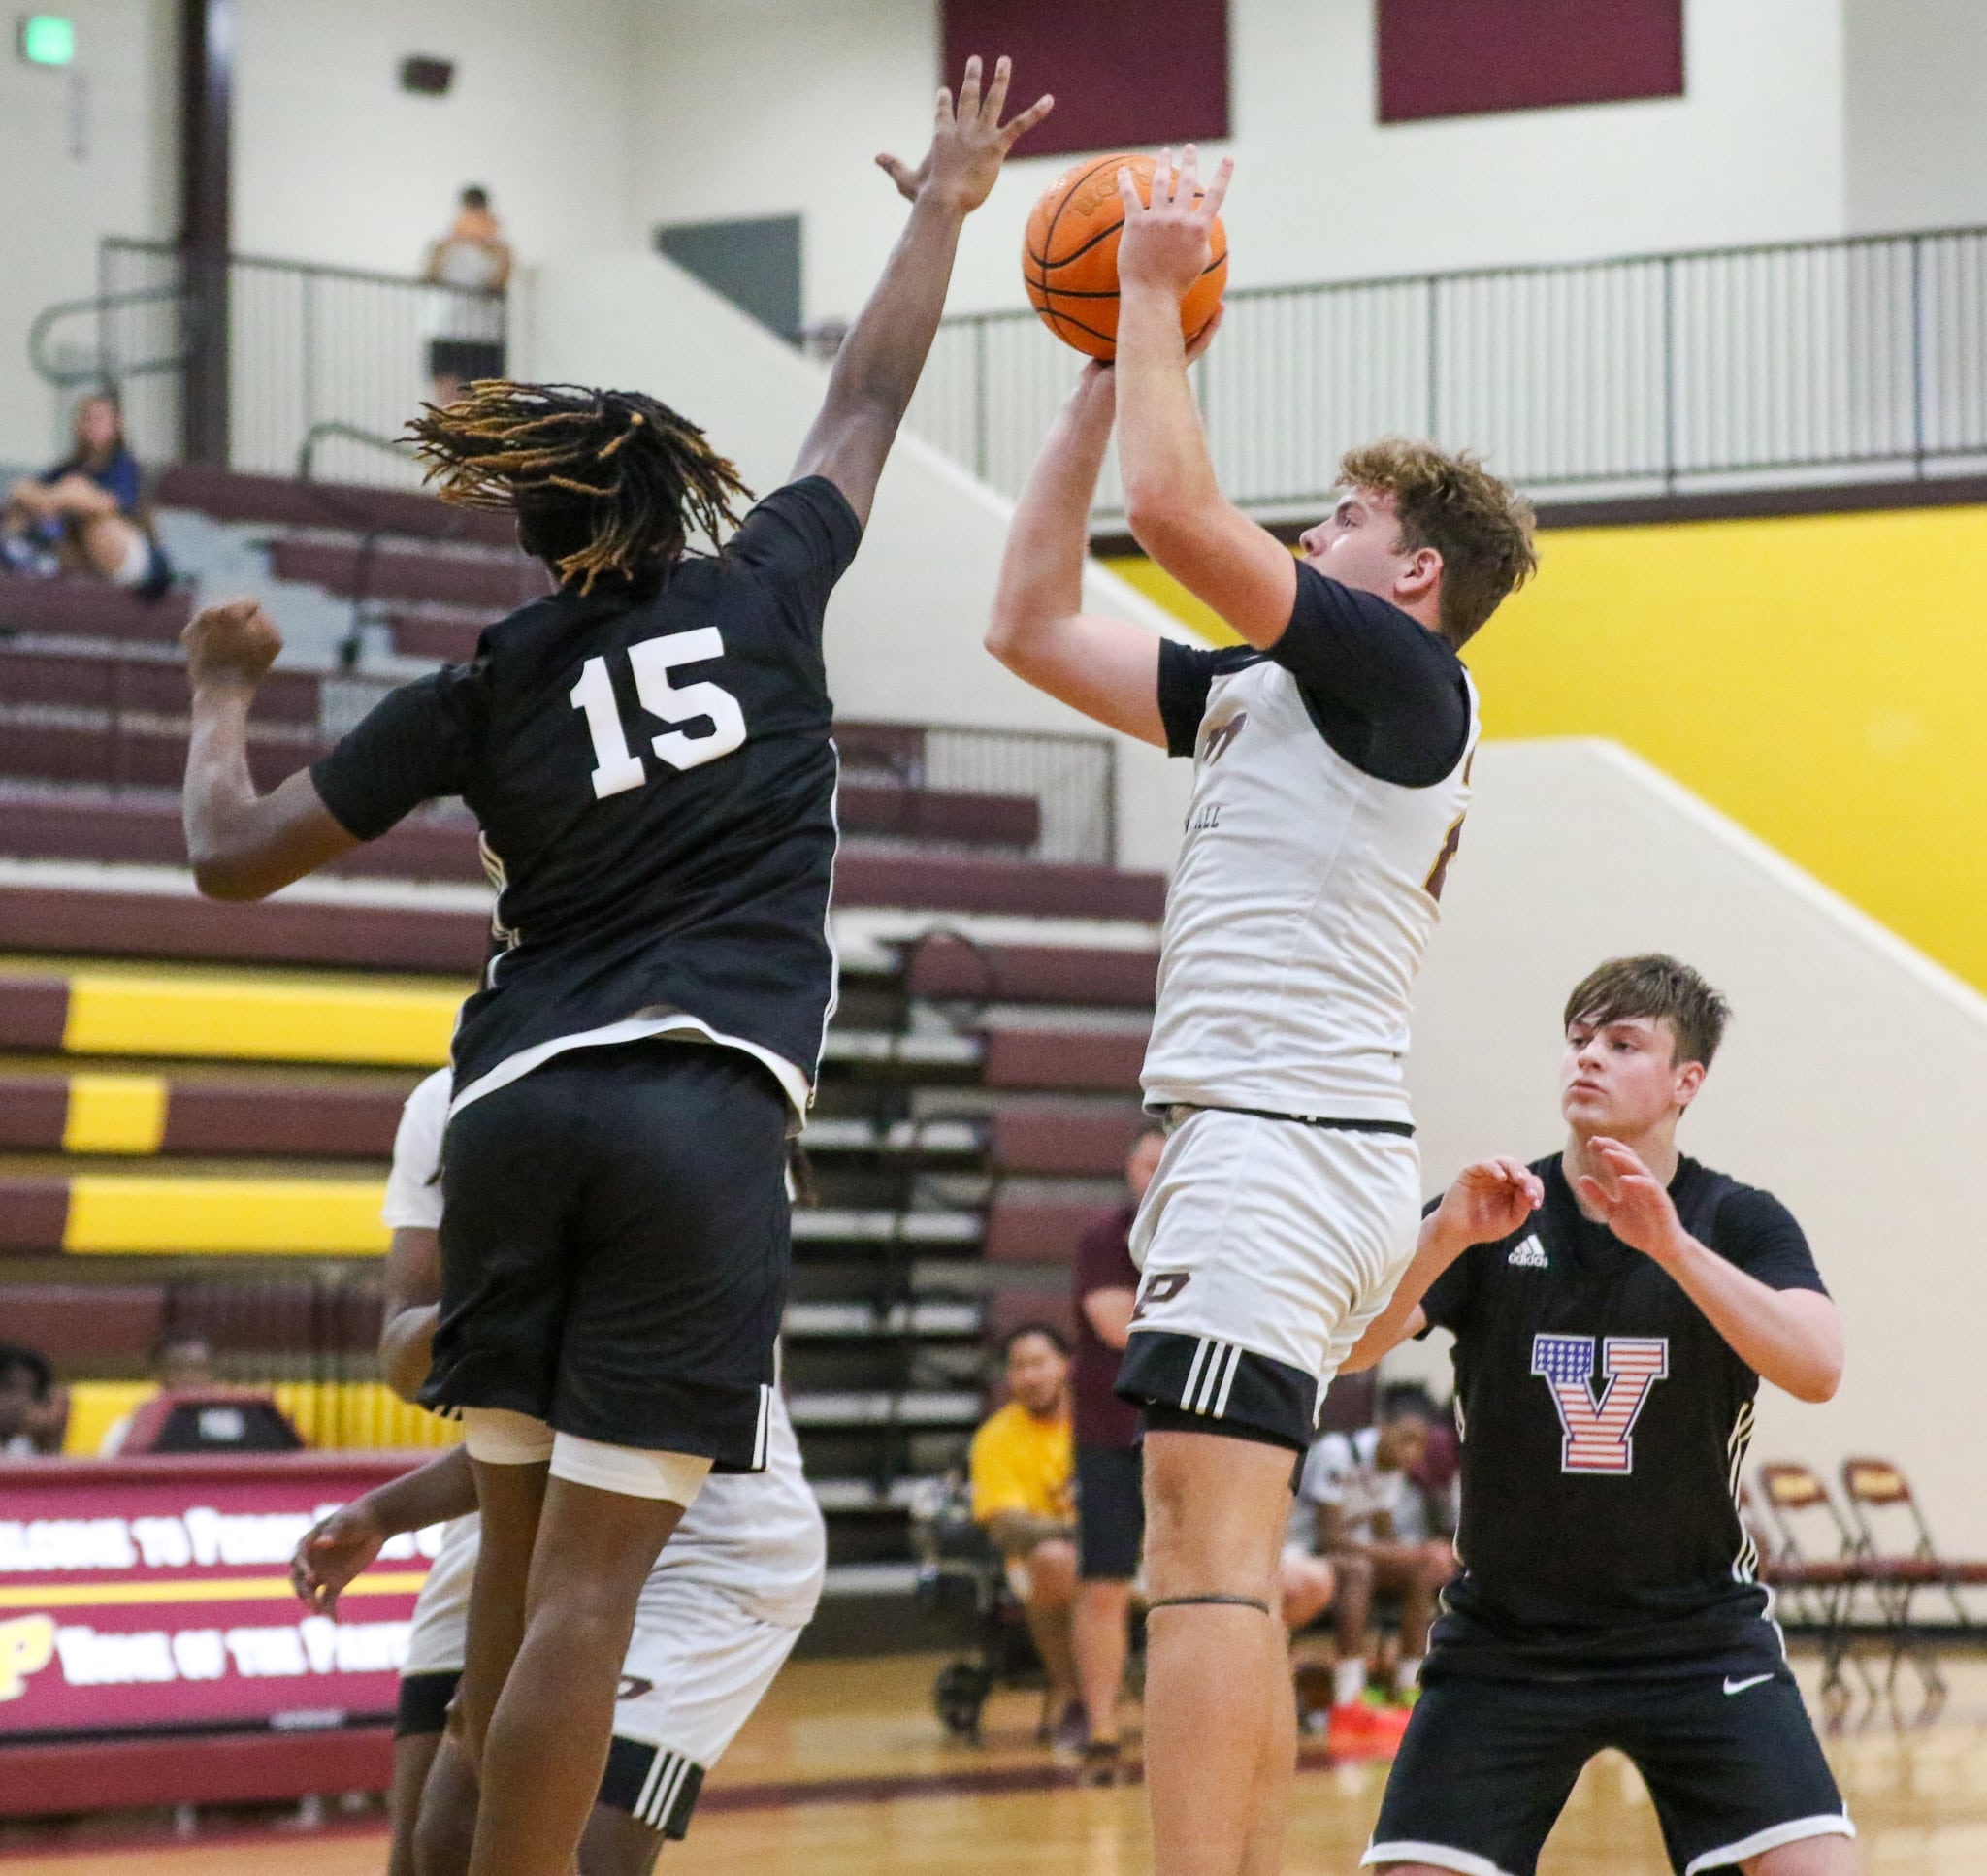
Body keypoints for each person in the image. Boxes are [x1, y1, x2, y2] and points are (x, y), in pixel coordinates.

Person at [177, 55, 1051, 1876]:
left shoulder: (482, 681)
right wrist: (939, 205)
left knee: (507, 1570)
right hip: (693, 1108)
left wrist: (221, 694)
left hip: (505, 1108)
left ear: (529, 529)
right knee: (591, 1588)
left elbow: (233, 855)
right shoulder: (764, 582)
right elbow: (864, 397)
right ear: (674, 503)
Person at [985, 144, 1535, 1876]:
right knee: (1211, 1559)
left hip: (1278, 1151)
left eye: (1347, 519)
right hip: (1300, 1149)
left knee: (1206, 1565)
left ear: (1414, 572)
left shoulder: (1400, 676)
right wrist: (1099, 371)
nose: (1312, 532)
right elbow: (1028, 622)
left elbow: (1174, 515)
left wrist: (1152, 290)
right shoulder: (1273, 687)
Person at [1344, 954, 1857, 1876]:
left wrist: (1671, 1247)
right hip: (1506, 1641)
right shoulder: (1493, 1212)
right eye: (1579, 1039)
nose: (1587, 1058)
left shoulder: (1736, 1220)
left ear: (1685, 1082)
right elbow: (1351, 1348)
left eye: (1623, 1044)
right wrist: (1442, 1236)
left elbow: (1818, 1367)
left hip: (1697, 1635)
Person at [295, 1067, 824, 1876]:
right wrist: (506, 1304)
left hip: (696, 1532)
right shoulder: (451, 1100)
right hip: (508, 1499)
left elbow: (621, 1416)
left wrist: (393, 1509)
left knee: (566, 1852)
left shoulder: (711, 1108)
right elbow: (404, 1358)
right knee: (434, 1852)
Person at [1067, 1128, 1162, 1777]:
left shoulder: (1208, 1235)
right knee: (1105, 1582)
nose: (1159, 1174)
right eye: (1150, 1164)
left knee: (1191, 1585)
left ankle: (1175, 1725)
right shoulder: (1106, 1239)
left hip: (1183, 1432)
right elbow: (1116, 1325)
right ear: (1130, 1169)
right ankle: (1102, 1727)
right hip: (1110, 1434)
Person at [1292, 1384, 1454, 1746]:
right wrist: (1414, 1553)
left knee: (1422, 1571)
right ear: (1382, 1427)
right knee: (1359, 1569)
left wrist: (1423, 1558)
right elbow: (1330, 1538)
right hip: (1300, 1552)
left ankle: (1408, 1686)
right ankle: (1348, 1696)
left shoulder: (1392, 1470)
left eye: (1420, 1443)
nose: (1413, 1452)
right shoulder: (1338, 1453)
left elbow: (1385, 1538)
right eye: (1406, 1439)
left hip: (1346, 1557)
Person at [968, 1323, 1080, 1745]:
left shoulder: (1098, 1425)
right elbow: (1011, 1531)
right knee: (1054, 1560)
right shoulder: (995, 1438)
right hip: (1034, 1563)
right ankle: (1072, 1697)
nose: (1028, 1377)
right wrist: (1091, 1529)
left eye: (1038, 1363)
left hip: (1119, 1553)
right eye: (1018, 1367)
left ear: (1066, 1366)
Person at [1, 391, 168, 594]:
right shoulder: (70, 466)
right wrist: (49, 499)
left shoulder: (124, 465)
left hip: (135, 565)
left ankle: (39, 556)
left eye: (99, 419)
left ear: (117, 424)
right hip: (81, 561)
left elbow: (108, 504)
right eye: (86, 418)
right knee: (25, 506)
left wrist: (65, 495)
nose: (91, 425)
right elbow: (22, 489)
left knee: (83, 503)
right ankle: (26, 555)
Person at [423, 187, 514, 404]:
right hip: (446, 330)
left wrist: (487, 244)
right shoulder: (442, 245)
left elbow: (498, 283)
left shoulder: (499, 249)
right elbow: (428, 277)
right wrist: (452, 241)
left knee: (483, 401)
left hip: (484, 334)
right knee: (448, 400)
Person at [96, 1331, 218, 1454]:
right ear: (158, 1375)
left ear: (212, 1374)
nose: (189, 1377)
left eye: (199, 1368)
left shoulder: (226, 1424)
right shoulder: (129, 1428)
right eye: (178, 1369)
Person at [0, 1342, 67, 1457]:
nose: (19, 1403)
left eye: (32, 1393)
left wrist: (50, 1439)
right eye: (8, 1388)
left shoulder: (23, 1447)